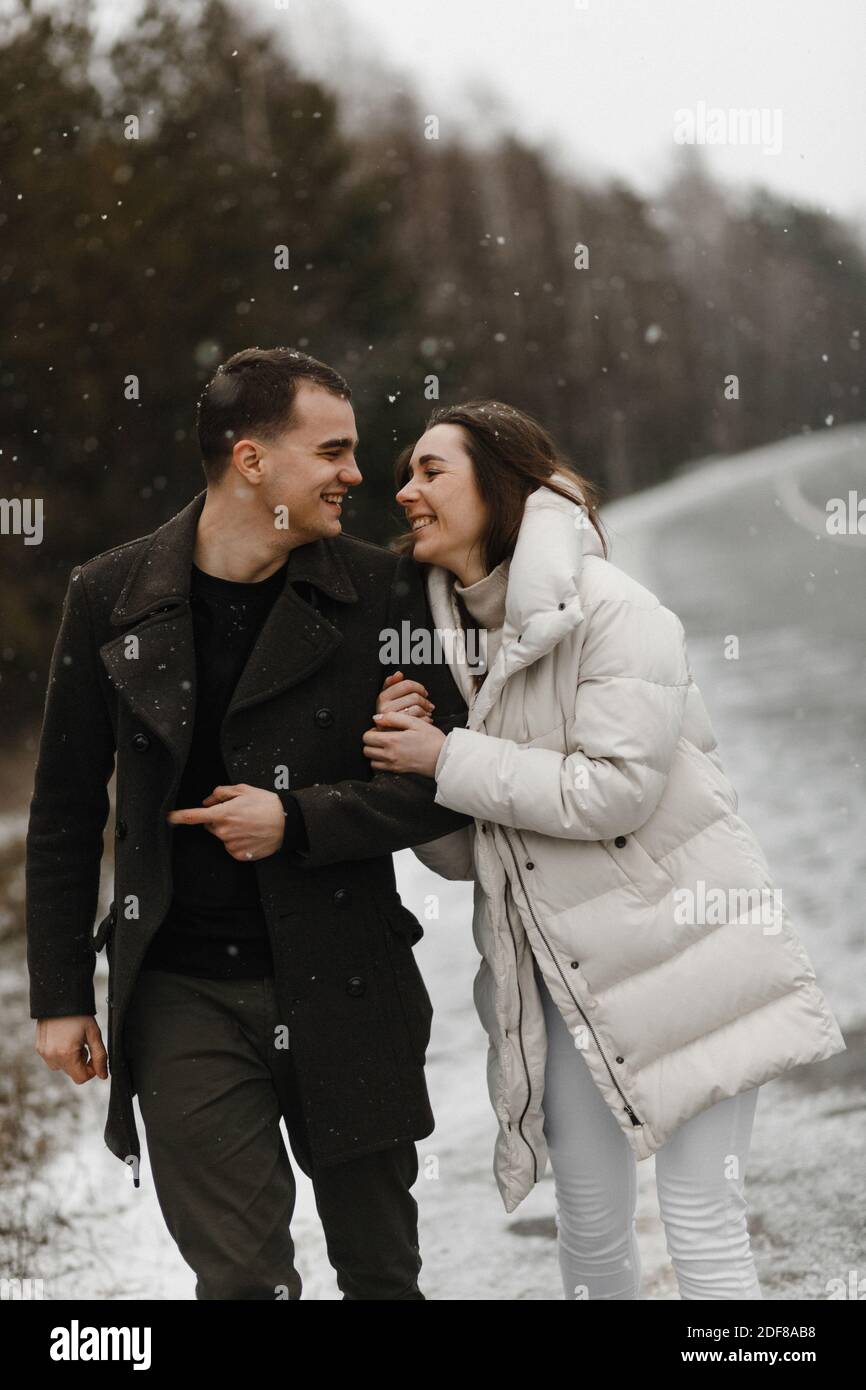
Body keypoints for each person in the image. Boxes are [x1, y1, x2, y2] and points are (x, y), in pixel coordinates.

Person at [363, 399, 847, 1301]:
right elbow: (483, 856)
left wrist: (451, 757)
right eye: (406, 473)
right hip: (565, 982)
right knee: (587, 1223)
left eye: (432, 470)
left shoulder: (615, 612)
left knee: (701, 1213)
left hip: (685, 956)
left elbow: (613, 791)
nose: (405, 492)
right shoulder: (450, 644)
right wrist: (418, 769)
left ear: (500, 485)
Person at [25, 347, 473, 1300]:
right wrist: (60, 992)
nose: (360, 474)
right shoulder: (109, 597)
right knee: (241, 1284)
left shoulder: (382, 593)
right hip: (181, 992)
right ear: (252, 462)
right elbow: (65, 807)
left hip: (346, 974)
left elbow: (450, 782)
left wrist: (299, 820)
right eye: (334, 450)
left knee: (383, 1275)